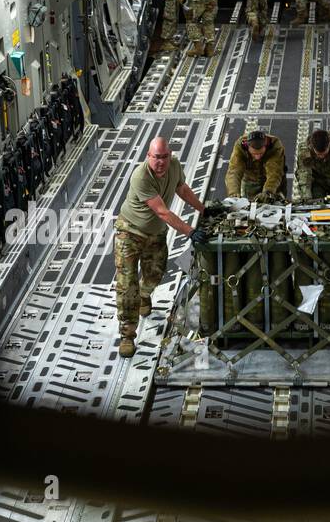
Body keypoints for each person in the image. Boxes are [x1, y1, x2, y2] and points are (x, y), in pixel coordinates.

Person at [113, 138, 209, 358]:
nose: (161, 162)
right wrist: (190, 232)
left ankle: (144, 295)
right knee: (127, 286)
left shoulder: (174, 166)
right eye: (156, 157)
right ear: (149, 156)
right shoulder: (140, 176)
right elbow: (162, 212)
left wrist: (204, 210)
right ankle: (127, 335)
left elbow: (182, 189)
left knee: (155, 276)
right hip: (130, 233)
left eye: (165, 157)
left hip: (155, 234)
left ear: (170, 155)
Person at [224, 130, 286, 201]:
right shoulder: (240, 147)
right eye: (254, 154)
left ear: (266, 145)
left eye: (261, 154)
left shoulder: (275, 145)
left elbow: (274, 173)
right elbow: (234, 172)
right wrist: (233, 194)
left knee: (276, 201)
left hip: (273, 183)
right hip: (251, 181)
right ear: (247, 147)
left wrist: (268, 192)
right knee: (249, 204)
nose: (257, 157)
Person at [294, 129, 330, 201]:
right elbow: (304, 174)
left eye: (324, 154)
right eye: (318, 154)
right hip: (317, 181)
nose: (321, 157)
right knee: (315, 203)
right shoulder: (304, 149)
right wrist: (306, 197)